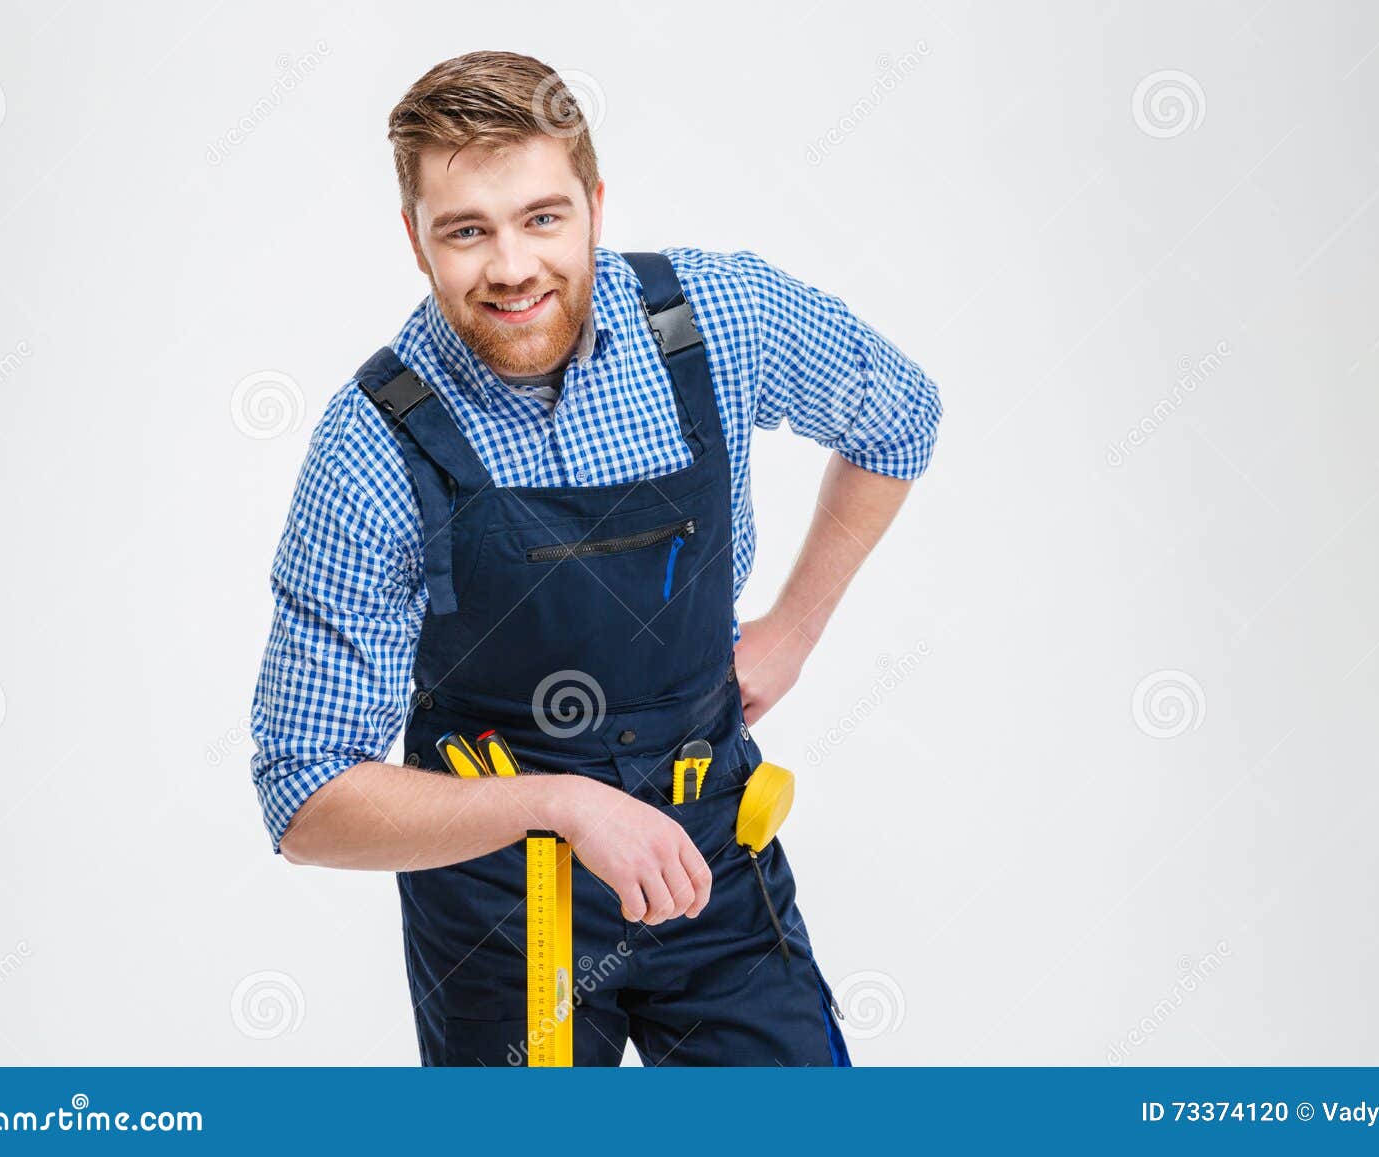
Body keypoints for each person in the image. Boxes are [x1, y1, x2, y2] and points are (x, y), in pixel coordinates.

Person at [248, 50, 942, 1066]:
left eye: (541, 217)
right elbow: (306, 797)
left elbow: (899, 416)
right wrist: (561, 804)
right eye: (466, 231)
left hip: (711, 854)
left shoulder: (716, 319)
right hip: (501, 907)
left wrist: (794, 625)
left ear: (594, 203)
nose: (513, 266)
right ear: (414, 241)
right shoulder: (372, 444)